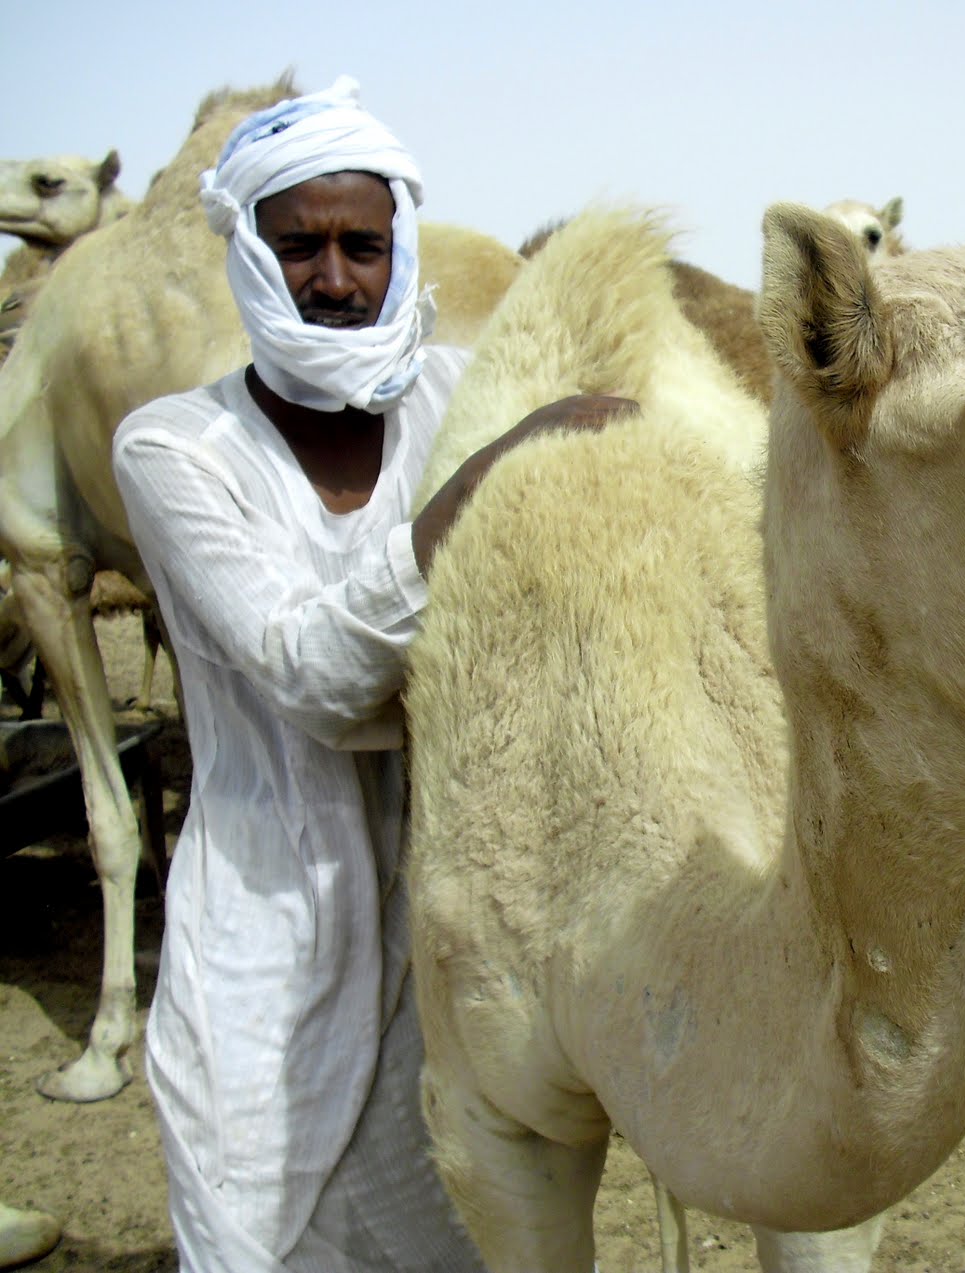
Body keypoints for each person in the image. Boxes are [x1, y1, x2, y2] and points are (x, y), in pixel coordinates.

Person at [112, 78, 632, 1272]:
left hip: (449, 911)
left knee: (457, 1222)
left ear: (399, 250)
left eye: (363, 246)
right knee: (258, 1222)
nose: (334, 281)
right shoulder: (175, 448)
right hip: (265, 917)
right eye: (300, 247)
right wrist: (481, 484)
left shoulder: (456, 396)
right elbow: (317, 679)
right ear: (249, 250)